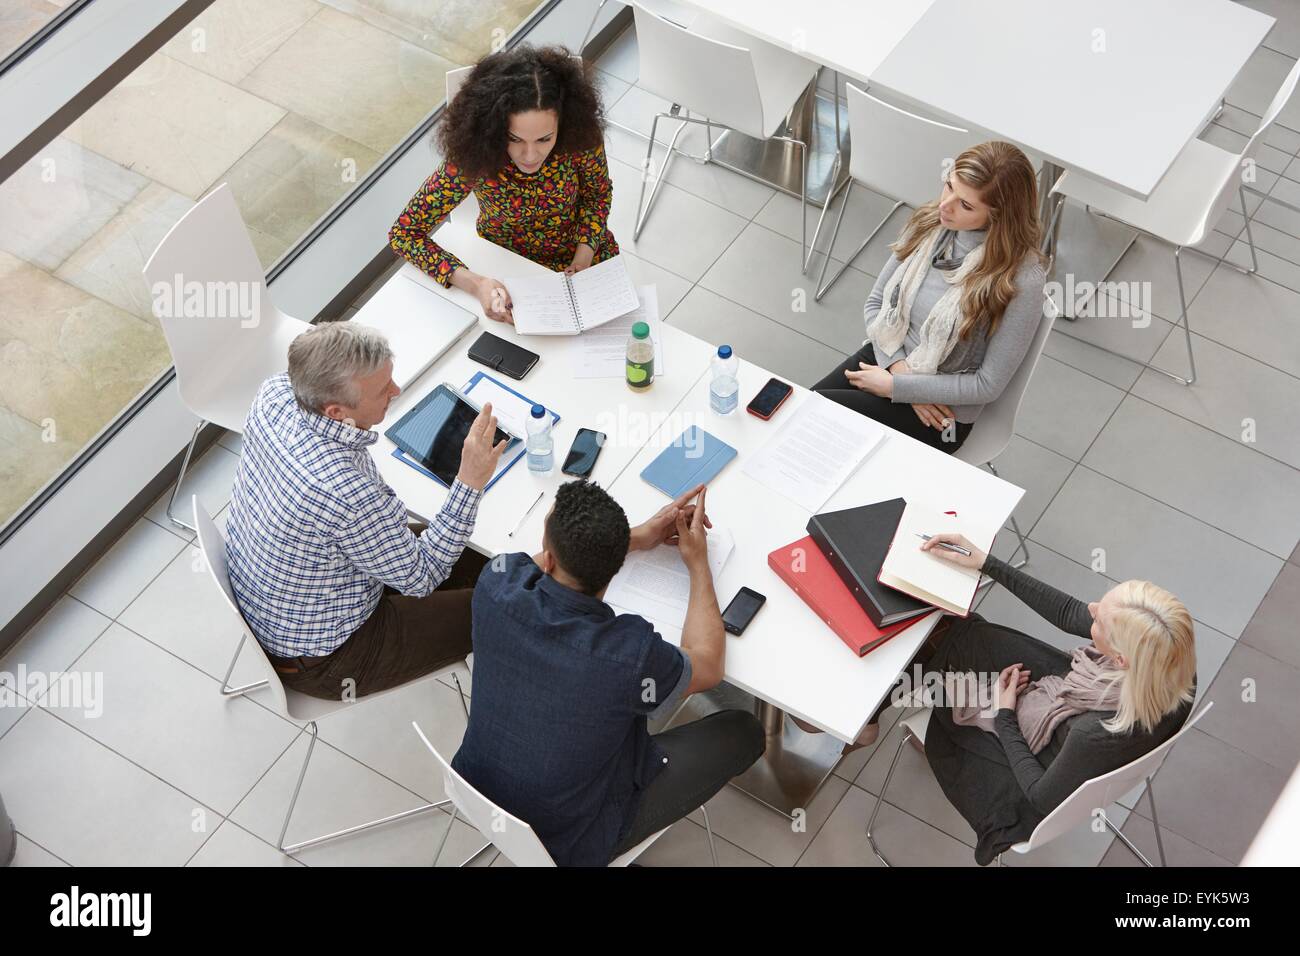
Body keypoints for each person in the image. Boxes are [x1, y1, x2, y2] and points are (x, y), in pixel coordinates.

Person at [452, 480, 765, 866]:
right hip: (568, 841)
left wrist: (636, 537)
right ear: (615, 568)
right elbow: (709, 664)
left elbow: (540, 561)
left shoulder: (495, 582)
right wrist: (698, 564)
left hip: (474, 789)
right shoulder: (628, 652)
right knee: (744, 730)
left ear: (549, 558)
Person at [224, 321, 508, 700]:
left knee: (499, 566)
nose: (397, 390)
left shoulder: (276, 393)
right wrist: (470, 481)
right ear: (336, 409)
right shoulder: (341, 490)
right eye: (382, 390)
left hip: (285, 602)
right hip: (330, 659)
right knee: (508, 608)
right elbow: (421, 577)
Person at [892, 532, 1197, 865]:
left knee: (946, 668)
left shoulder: (1092, 732)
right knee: (969, 637)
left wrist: (1003, 714)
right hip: (1085, 720)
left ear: (1121, 660)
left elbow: (1040, 797)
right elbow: (1069, 612)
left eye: (1096, 620)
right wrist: (987, 563)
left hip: (1030, 781)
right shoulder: (1172, 664)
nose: (1090, 610)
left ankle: (869, 718)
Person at [811, 141, 1047, 453]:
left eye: (965, 205)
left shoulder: (1021, 280)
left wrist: (898, 388)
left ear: (1000, 216)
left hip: (943, 412)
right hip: (887, 357)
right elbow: (875, 304)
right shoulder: (930, 224)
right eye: (949, 185)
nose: (945, 205)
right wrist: (901, 377)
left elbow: (987, 385)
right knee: (800, 409)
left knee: (817, 419)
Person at [389, 44, 617, 324]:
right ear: (494, 129)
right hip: (505, 270)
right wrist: (476, 284)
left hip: (582, 256)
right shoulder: (476, 157)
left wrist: (584, 257)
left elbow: (597, 195)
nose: (530, 156)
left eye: (544, 139)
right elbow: (405, 233)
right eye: (516, 139)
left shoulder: (580, 139)